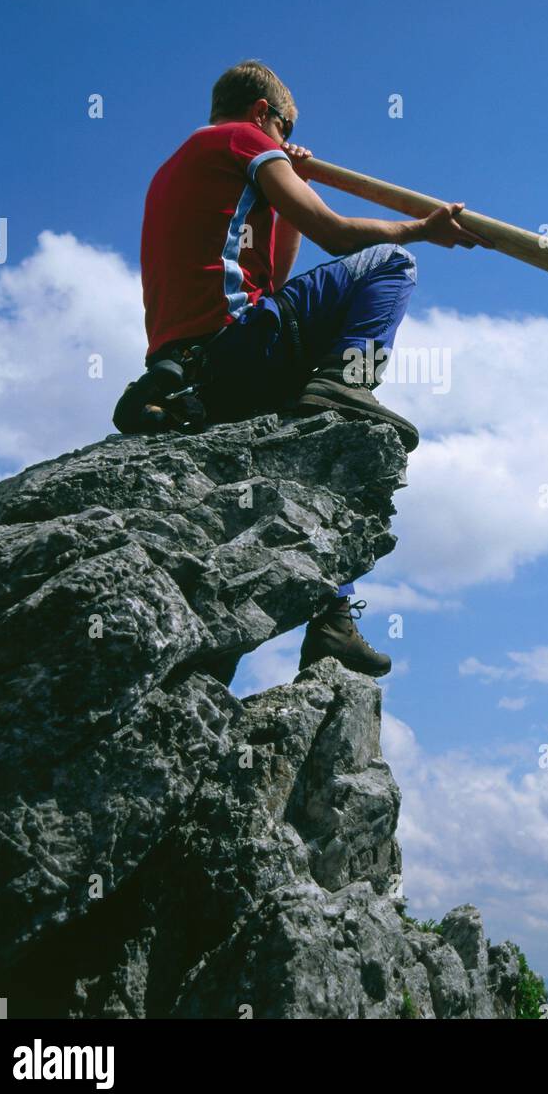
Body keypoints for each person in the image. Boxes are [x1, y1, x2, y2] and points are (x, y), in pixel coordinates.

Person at [134, 58, 492, 682]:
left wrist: (290, 179)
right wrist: (423, 230)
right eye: (287, 125)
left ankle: (331, 619)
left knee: (313, 471)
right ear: (262, 114)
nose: (286, 137)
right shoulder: (240, 140)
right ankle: (346, 384)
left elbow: (272, 275)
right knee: (390, 265)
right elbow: (335, 235)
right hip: (232, 347)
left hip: (199, 375)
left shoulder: (182, 165)